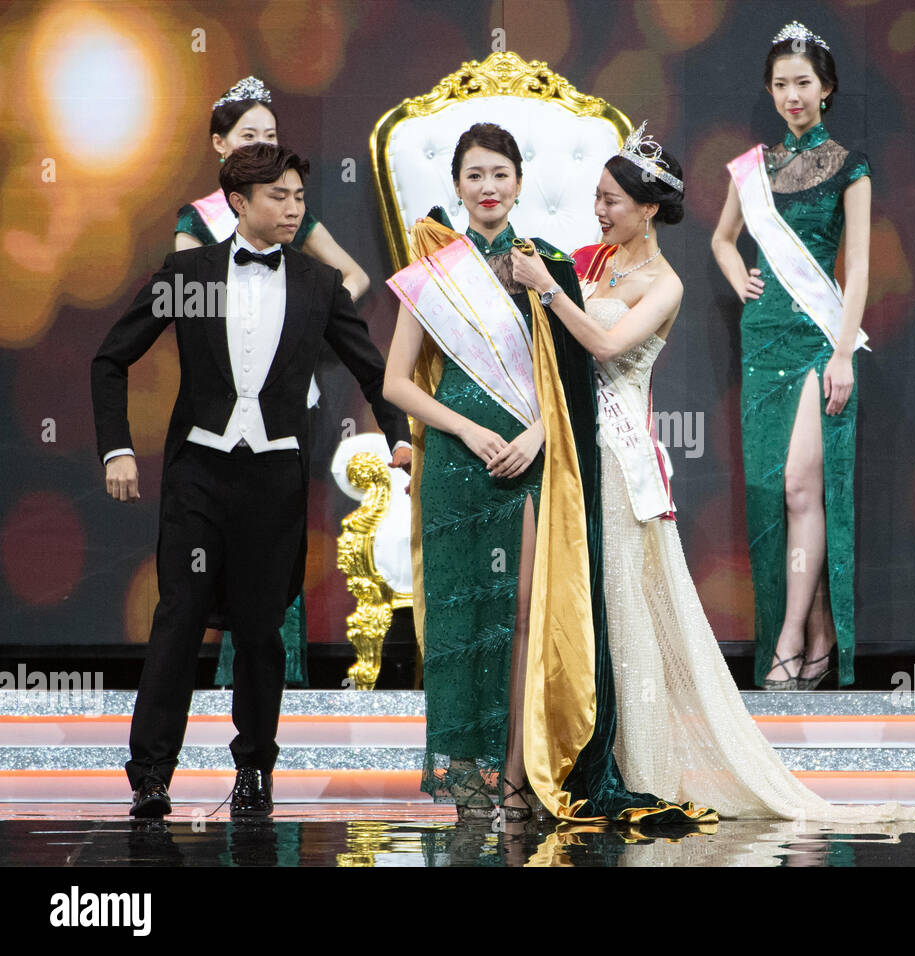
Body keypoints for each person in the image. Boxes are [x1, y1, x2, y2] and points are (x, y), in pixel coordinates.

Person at [509, 125, 915, 824]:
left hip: (617, 461)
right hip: (573, 454)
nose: (599, 211)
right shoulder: (590, 262)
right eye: (596, 198)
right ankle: (565, 755)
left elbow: (608, 345)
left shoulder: (665, 284)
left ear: (648, 209)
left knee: (621, 608)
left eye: (611, 200)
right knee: (573, 609)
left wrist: (550, 292)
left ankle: (626, 762)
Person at [383, 123, 712, 826]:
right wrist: (468, 429)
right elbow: (396, 383)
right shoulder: (435, 275)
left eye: (500, 174)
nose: (488, 188)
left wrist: (537, 435)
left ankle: (518, 773)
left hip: (536, 458)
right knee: (460, 616)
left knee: (527, 612)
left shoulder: (554, 267)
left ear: (520, 183)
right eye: (474, 176)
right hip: (455, 456)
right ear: (458, 185)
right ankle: (467, 777)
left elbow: (571, 373)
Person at [92, 144, 411, 818]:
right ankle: (151, 775)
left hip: (273, 478)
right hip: (199, 475)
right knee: (178, 619)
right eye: (279, 197)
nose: (294, 208)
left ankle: (254, 772)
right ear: (239, 202)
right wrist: (117, 448)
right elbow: (110, 358)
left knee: (262, 630)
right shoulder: (188, 271)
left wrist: (402, 435)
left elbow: (370, 369)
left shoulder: (319, 284)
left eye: (299, 197)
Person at [182, 76, 372, 688]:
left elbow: (352, 278)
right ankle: (223, 687)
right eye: (246, 137)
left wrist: (297, 339)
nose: (258, 144)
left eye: (269, 136)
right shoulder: (199, 219)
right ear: (219, 145)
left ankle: (279, 676)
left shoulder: (294, 212)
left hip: (285, 401)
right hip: (217, 408)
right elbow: (191, 309)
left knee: (280, 536)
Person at [712, 22, 872, 690]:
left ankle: (789, 634)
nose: (791, 95)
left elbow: (859, 265)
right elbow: (722, 239)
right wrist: (735, 274)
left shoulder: (850, 167)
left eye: (803, 83)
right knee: (774, 492)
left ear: (826, 88)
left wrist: (842, 352)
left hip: (818, 339)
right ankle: (815, 632)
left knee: (804, 485)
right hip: (764, 337)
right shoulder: (755, 169)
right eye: (780, 84)